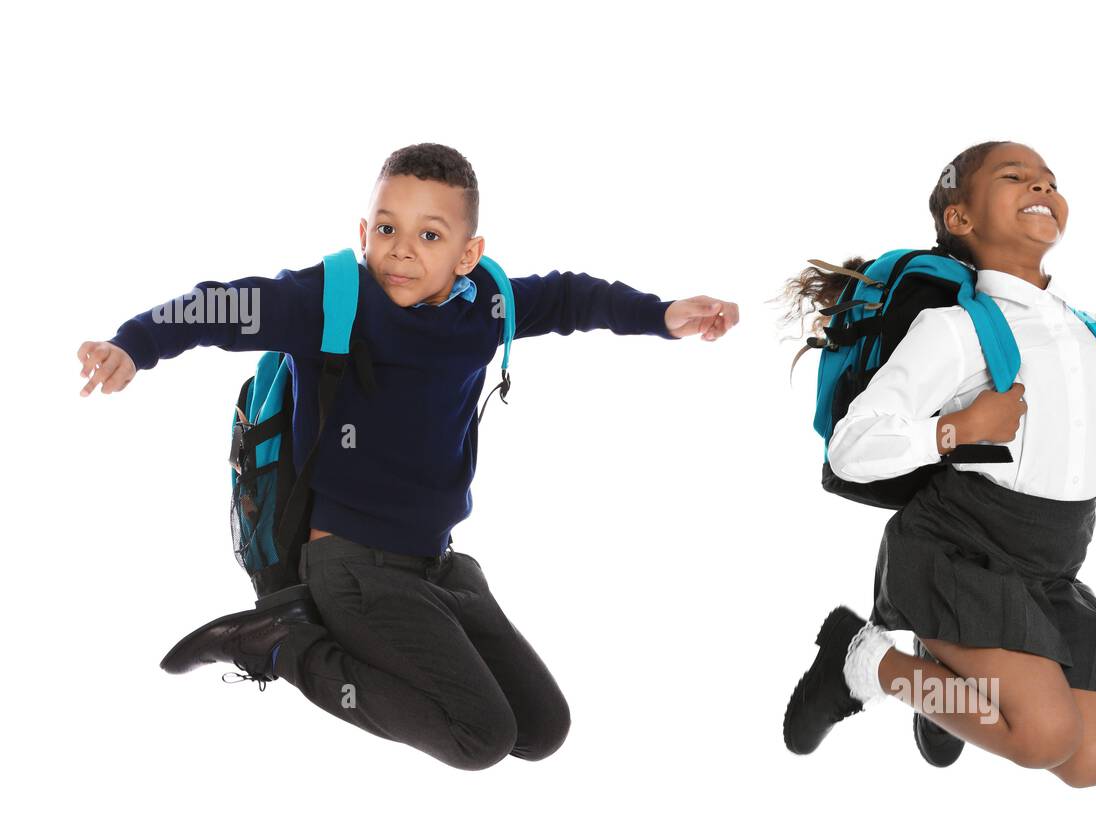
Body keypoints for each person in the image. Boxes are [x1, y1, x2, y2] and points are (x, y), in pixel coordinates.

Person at [77, 142, 740, 771]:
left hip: (441, 564)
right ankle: (279, 643)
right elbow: (223, 305)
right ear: (364, 230)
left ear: (467, 253)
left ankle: (349, 631)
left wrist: (664, 314)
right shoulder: (331, 300)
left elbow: (570, 296)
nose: (401, 251)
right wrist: (133, 344)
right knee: (479, 736)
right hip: (352, 565)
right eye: (387, 228)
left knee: (541, 729)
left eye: (430, 235)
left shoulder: (484, 303)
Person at [781, 141, 1096, 787]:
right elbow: (852, 446)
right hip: (960, 549)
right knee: (1042, 737)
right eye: (1015, 177)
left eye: (1049, 180)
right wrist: (957, 429)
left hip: (1050, 561)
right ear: (960, 219)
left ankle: (947, 668)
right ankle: (868, 662)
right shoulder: (954, 328)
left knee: (1091, 761)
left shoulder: (1092, 331)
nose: (1040, 187)